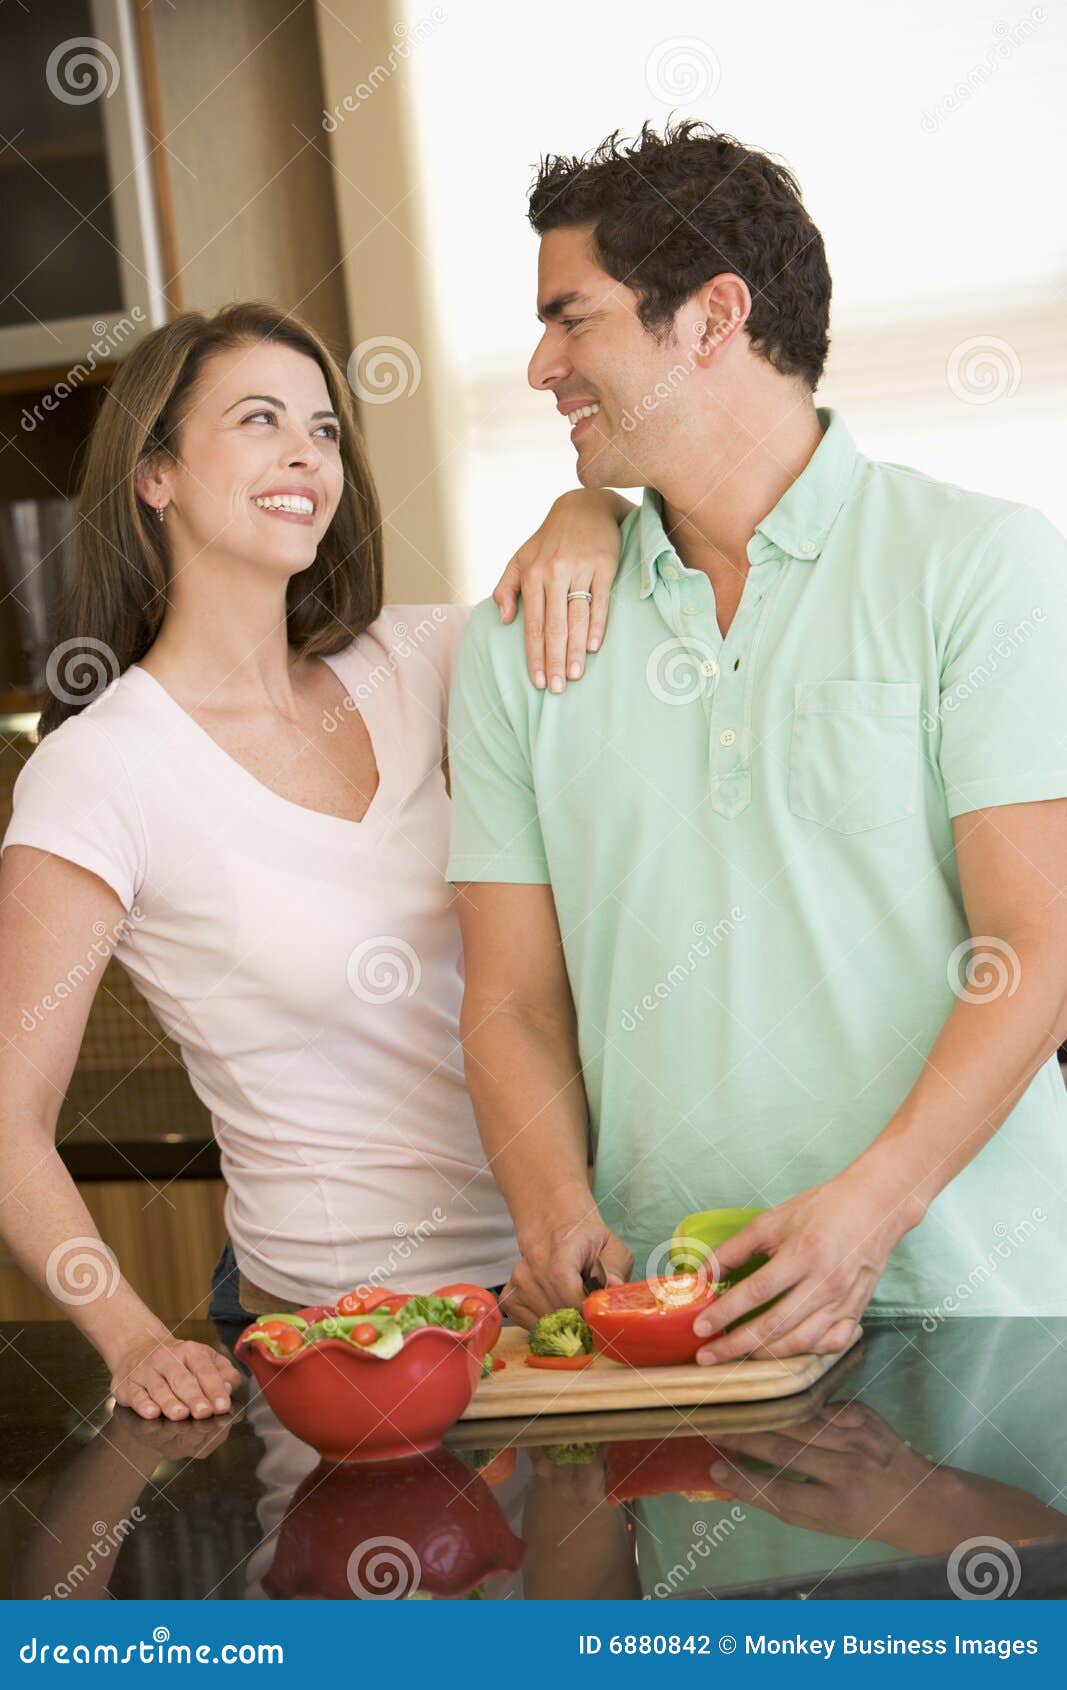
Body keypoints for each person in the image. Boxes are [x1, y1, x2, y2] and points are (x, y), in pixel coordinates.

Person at [445, 122, 1067, 1358]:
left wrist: (866, 1212)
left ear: (713, 316)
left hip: (983, 1318)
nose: (538, 366)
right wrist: (553, 1200)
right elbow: (510, 999)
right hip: (677, 1333)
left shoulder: (977, 568)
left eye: (574, 320)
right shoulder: (518, 637)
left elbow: (1033, 945)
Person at [0, 300, 629, 1423]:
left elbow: (611, 585)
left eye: (326, 429)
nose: (307, 454)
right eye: (259, 420)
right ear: (155, 475)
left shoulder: (429, 656)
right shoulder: (101, 770)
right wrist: (134, 1339)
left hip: (560, 1291)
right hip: (341, 1341)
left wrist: (586, 506)